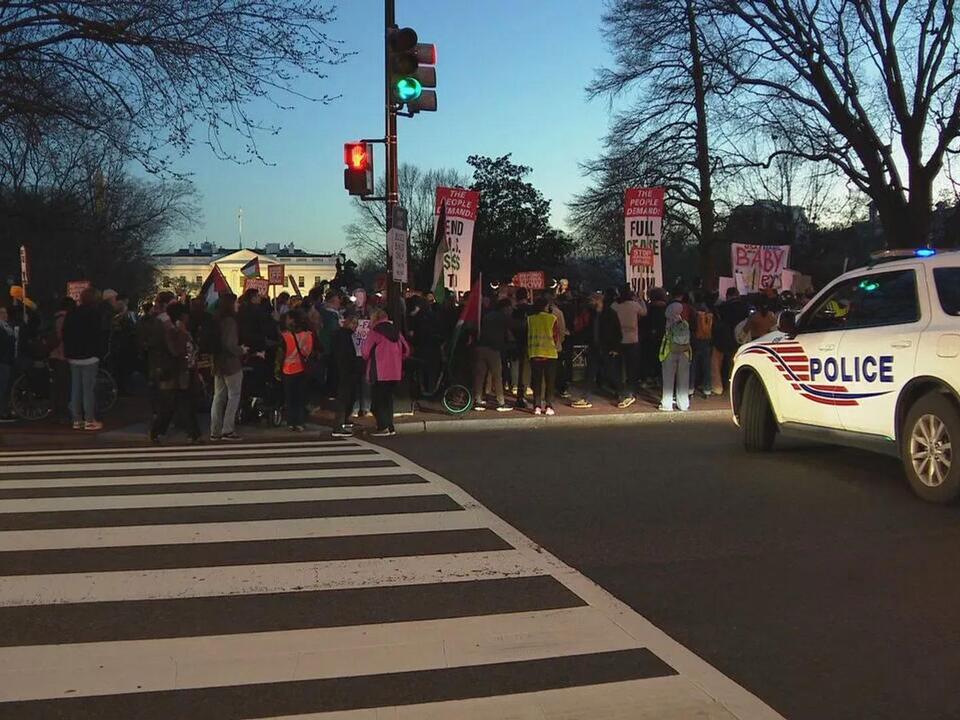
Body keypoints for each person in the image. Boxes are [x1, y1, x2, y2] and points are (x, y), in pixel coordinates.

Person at [150, 302, 201, 444]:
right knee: (175, 404)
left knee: (180, 404)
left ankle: (191, 433)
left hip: (185, 371)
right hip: (176, 373)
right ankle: (190, 433)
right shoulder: (172, 331)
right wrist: (182, 333)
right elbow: (175, 350)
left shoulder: (180, 331)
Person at [62, 287, 107, 430]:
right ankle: (89, 419)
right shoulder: (94, 313)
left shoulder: (72, 313)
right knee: (89, 389)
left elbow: (65, 332)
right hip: (89, 355)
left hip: (73, 355)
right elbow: (98, 334)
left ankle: (77, 419)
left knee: (75, 388)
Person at [361, 308, 410, 437]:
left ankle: (383, 427)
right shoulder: (396, 332)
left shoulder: (375, 332)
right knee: (387, 400)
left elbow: (365, 352)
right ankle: (389, 426)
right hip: (394, 372)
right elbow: (406, 350)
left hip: (379, 371)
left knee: (378, 401)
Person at [209, 293, 245, 441]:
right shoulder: (230, 321)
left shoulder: (216, 319)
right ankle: (228, 429)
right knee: (234, 396)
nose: (238, 305)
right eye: (236, 302)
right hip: (231, 363)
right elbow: (230, 344)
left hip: (217, 361)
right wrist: (241, 350)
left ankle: (215, 430)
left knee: (218, 397)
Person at [473, 298, 513, 412]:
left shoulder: (487, 315)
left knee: (480, 375)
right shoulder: (502, 317)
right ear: (505, 308)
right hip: (493, 349)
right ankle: (501, 402)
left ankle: (478, 400)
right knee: (497, 376)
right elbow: (512, 328)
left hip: (480, 347)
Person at [276, 309, 314, 432]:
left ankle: (291, 422)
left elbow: (281, 354)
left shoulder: (286, 336)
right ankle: (300, 422)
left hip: (288, 369)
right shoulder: (308, 335)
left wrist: (278, 368)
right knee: (301, 397)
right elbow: (310, 352)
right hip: (303, 369)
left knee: (290, 398)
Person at [612, 288, 647, 408]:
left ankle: (619, 391)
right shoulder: (634, 305)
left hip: (619, 340)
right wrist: (641, 299)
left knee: (620, 368)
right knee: (632, 367)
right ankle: (630, 392)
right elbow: (644, 313)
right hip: (633, 339)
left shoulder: (615, 306)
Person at [711, 288, 749, 395]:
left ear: (727, 295)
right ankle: (737, 387)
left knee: (716, 363)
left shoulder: (722, 307)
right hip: (739, 339)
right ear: (737, 295)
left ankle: (717, 388)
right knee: (735, 363)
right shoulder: (745, 307)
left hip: (722, 339)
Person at [527, 297, 561, 416]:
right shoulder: (552, 318)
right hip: (550, 354)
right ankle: (548, 406)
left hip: (534, 353)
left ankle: (536, 406)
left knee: (536, 381)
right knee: (549, 382)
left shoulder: (530, 319)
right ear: (546, 307)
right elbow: (556, 335)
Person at [331, 312, 363, 438]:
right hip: (345, 372)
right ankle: (338, 425)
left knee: (348, 397)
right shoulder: (344, 336)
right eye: (354, 323)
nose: (356, 326)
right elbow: (344, 356)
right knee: (343, 399)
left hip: (345, 371)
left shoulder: (345, 335)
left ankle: (344, 420)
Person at [659, 301, 692, 412]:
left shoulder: (669, 322)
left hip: (669, 351)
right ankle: (683, 404)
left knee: (668, 378)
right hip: (684, 352)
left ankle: (667, 404)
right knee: (683, 378)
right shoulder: (684, 323)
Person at [48, 296, 76, 422]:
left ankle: (57, 411)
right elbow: (62, 337)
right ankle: (61, 413)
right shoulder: (65, 319)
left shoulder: (56, 317)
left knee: (58, 385)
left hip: (55, 355)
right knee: (63, 386)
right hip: (62, 355)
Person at [0, 306, 15, 422]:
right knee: (2, 387)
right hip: (3, 360)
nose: (5, 315)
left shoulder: (8, 326)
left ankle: (4, 410)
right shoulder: (3, 328)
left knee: (5, 386)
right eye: (2, 313)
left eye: (5, 312)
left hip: (7, 359)